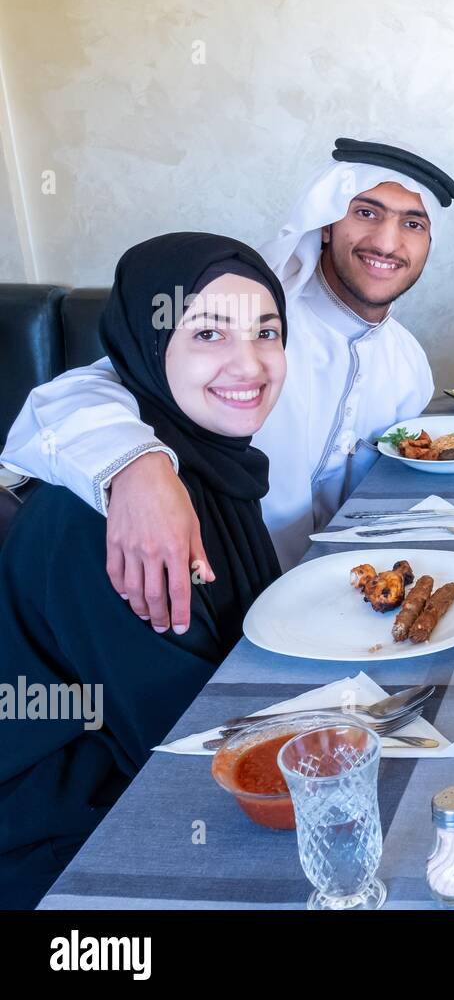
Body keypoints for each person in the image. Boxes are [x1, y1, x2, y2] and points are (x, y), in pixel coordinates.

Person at [2, 139, 454, 635]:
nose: (388, 243)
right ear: (326, 223)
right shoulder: (252, 317)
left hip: (344, 607)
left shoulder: (408, 361)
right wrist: (136, 468)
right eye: (366, 213)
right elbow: (84, 390)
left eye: (412, 223)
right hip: (215, 605)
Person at [0, 233, 288, 908]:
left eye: (267, 332)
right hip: (73, 843)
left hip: (161, 765)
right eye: (209, 334)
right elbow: (198, 750)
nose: (250, 364)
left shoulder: (204, 464)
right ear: (146, 346)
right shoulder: (108, 522)